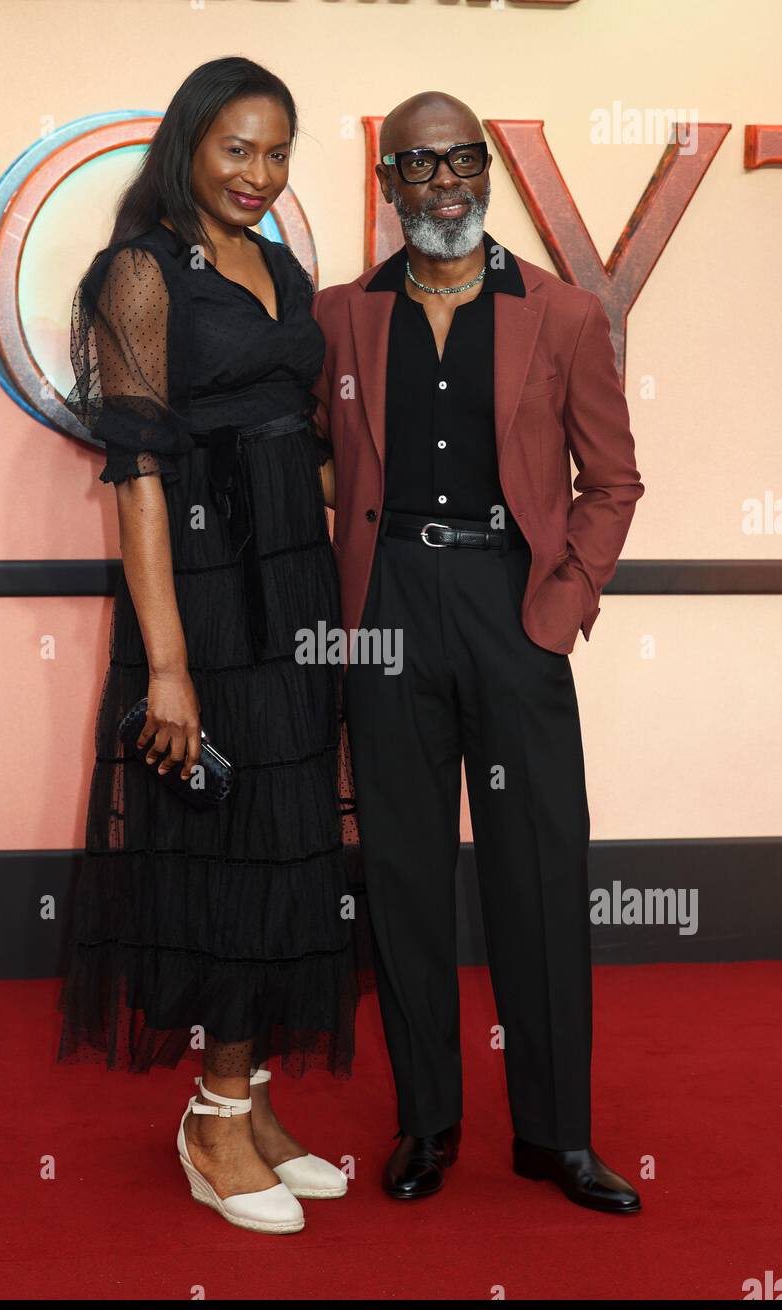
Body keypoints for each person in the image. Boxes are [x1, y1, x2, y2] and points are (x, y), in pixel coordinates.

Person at [309, 90, 645, 1213]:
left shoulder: (557, 312)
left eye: (462, 160)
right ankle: (425, 1124)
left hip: (511, 604)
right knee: (401, 875)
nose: (444, 182)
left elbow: (613, 481)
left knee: (540, 873)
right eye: (418, 164)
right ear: (388, 183)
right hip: (388, 605)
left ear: (485, 174)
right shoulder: (338, 318)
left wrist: (556, 610)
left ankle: (556, 1138)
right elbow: (306, 461)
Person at [57, 57, 371, 1236]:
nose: (260, 173)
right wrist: (170, 663)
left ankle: (254, 1100)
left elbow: (310, 443)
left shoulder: (283, 269)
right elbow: (137, 472)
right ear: (191, 142)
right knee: (220, 849)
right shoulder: (140, 272)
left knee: (289, 841)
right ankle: (208, 1119)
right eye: (238, 147)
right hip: (198, 594)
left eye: (278, 151)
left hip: (290, 589)